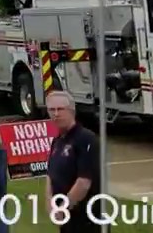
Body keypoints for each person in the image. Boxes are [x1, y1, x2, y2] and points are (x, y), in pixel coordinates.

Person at [44, 90, 100, 232]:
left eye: (60, 109)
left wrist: (63, 207)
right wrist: (50, 202)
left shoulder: (86, 138)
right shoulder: (57, 141)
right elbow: (50, 175)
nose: (56, 114)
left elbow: (84, 182)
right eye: (51, 110)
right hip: (66, 218)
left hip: (87, 217)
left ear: (71, 111)